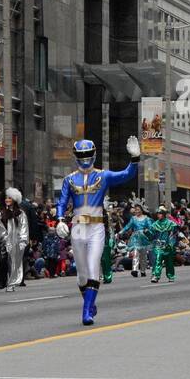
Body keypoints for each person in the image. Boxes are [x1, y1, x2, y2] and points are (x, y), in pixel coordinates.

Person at [55, 136, 141, 325]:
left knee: (94, 267)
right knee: (81, 274)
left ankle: (86, 312)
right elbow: (61, 201)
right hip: (77, 227)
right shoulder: (69, 179)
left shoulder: (103, 175)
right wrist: (59, 220)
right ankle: (90, 303)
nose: (85, 158)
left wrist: (135, 159)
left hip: (96, 227)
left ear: (93, 155)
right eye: (81, 155)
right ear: (76, 156)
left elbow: (126, 174)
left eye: (87, 154)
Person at [0, 188, 29, 291]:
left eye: (9, 198)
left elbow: (23, 227)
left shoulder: (20, 213)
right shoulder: (1, 213)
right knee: (4, 261)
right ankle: (3, 281)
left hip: (16, 241)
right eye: (6, 198)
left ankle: (11, 283)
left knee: (14, 262)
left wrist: (23, 240)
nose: (7, 200)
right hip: (4, 241)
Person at [119, 203, 152, 277]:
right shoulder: (133, 218)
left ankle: (143, 270)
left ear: (141, 210)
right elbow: (127, 226)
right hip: (135, 238)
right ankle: (135, 270)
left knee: (143, 256)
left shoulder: (146, 218)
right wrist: (120, 232)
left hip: (143, 238)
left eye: (138, 209)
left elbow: (151, 227)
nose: (136, 211)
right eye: (135, 210)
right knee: (135, 254)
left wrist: (147, 230)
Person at [149, 205, 177, 283]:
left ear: (164, 214)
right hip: (158, 245)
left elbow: (173, 235)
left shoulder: (171, 223)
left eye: (160, 213)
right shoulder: (155, 224)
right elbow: (152, 236)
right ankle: (156, 275)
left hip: (168, 245)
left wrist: (171, 243)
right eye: (158, 213)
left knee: (169, 262)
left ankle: (171, 276)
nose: (159, 215)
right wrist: (147, 233)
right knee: (158, 259)